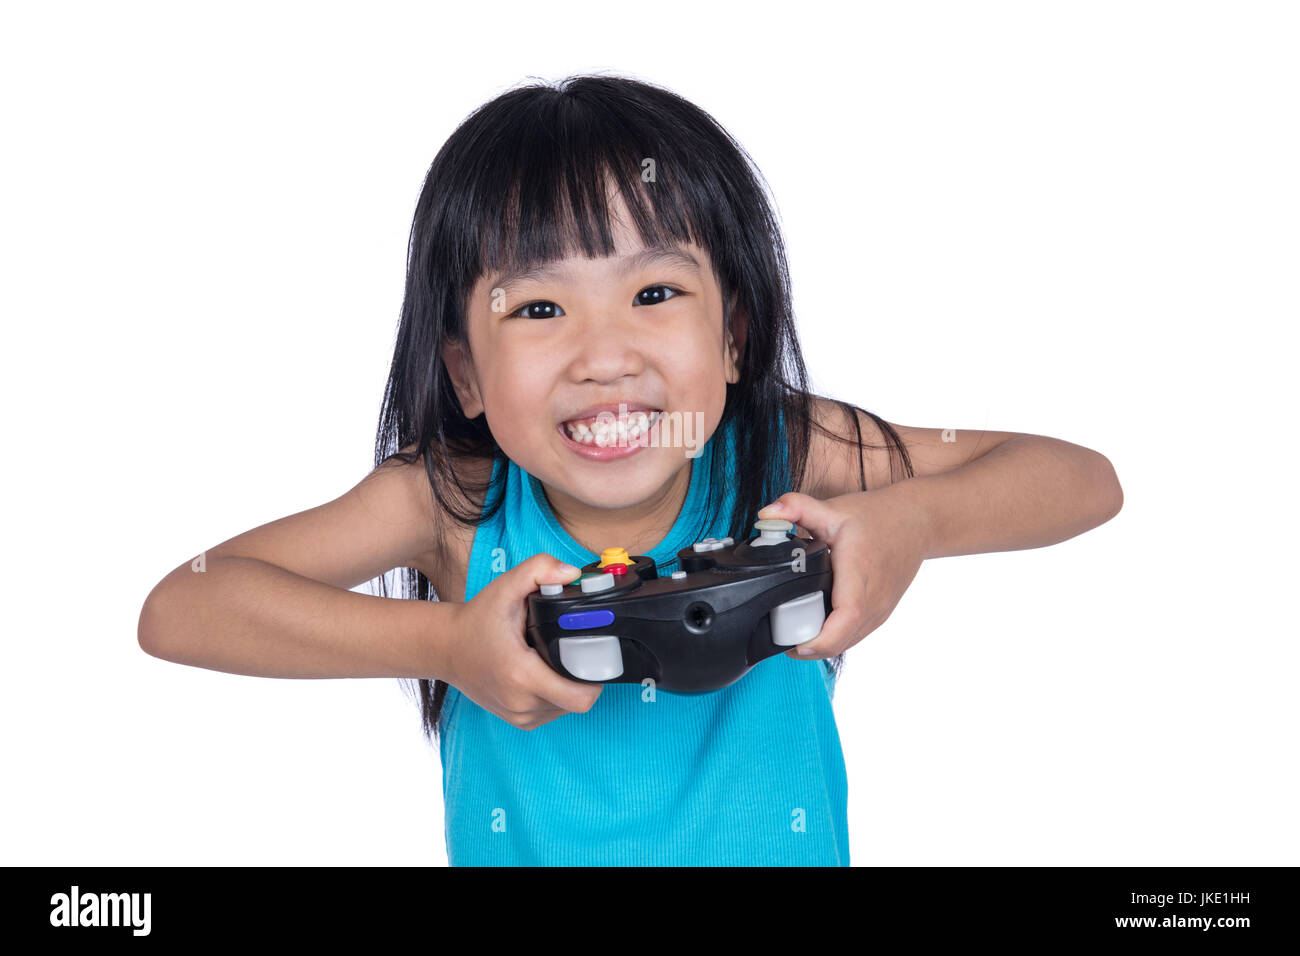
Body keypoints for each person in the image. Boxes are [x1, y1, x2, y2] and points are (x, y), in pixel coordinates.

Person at [138, 74, 1123, 866]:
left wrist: (913, 520)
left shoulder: (778, 448)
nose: (603, 353)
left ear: (733, 335)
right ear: (465, 373)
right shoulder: (454, 500)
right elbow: (183, 605)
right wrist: (447, 640)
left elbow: (1082, 478)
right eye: (537, 309)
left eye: (653, 290)